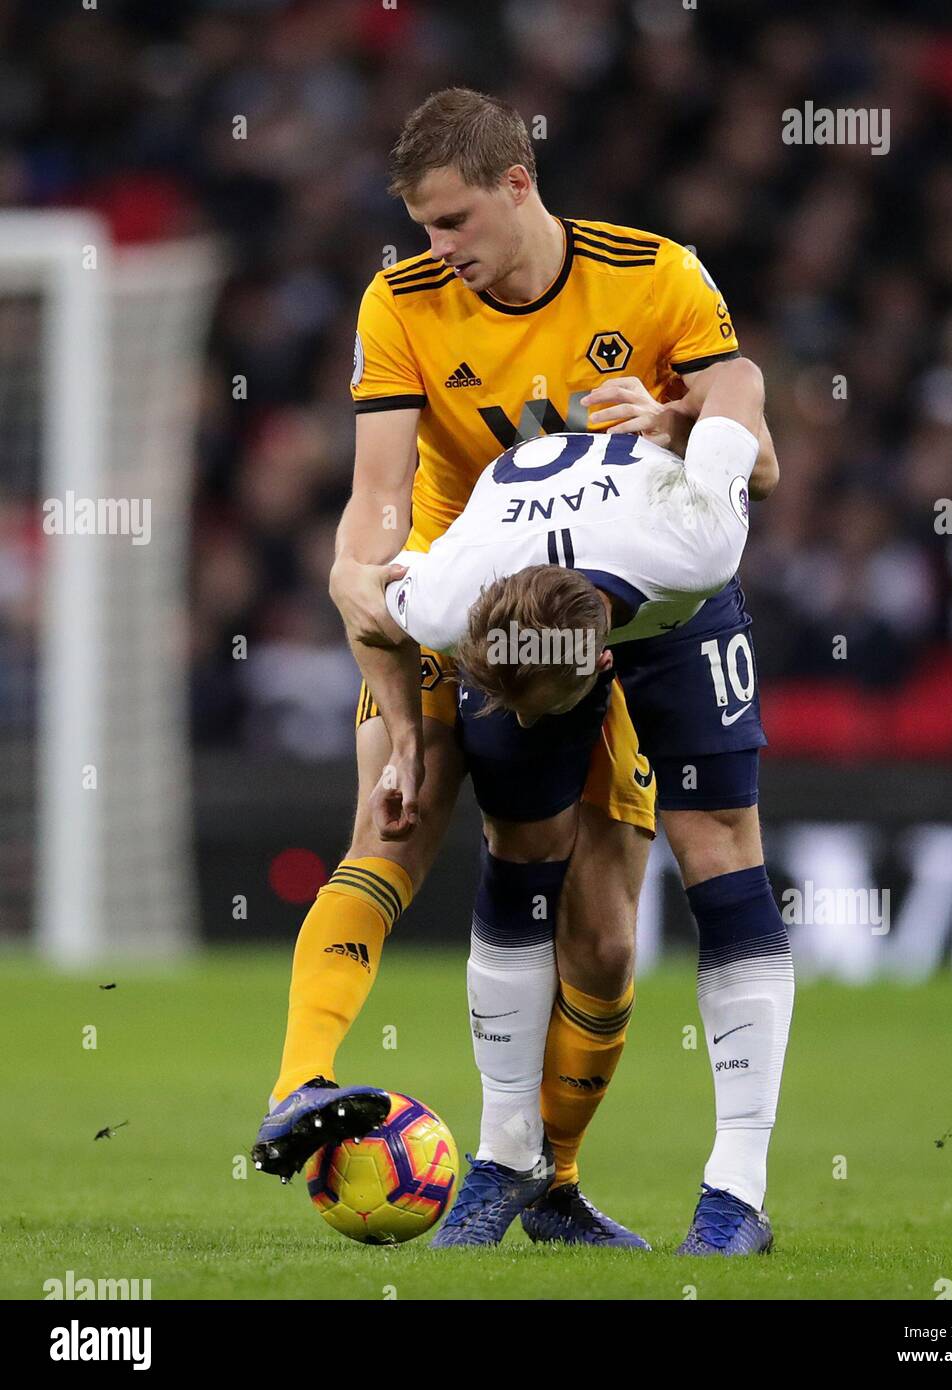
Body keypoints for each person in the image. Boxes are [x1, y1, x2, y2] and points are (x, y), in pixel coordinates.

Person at [251, 87, 778, 1248]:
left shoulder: (656, 279)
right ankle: (299, 1082)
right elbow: (377, 511)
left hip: (616, 614)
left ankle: (553, 1183)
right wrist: (389, 663)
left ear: (516, 186)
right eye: (422, 229)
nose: (436, 253)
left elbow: (757, 448)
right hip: (461, 607)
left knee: (599, 922)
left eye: (451, 225)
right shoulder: (401, 304)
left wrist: (680, 415)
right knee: (393, 815)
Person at [361, 359, 793, 1255]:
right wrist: (406, 739)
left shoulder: (699, 535)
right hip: (537, 583)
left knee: (721, 850)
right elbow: (357, 596)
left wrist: (676, 415)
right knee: (517, 852)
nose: (517, 718)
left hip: (680, 612)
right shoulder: (451, 598)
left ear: (598, 675)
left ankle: (737, 1192)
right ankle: (508, 1151)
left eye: (532, 707)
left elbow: (742, 378)